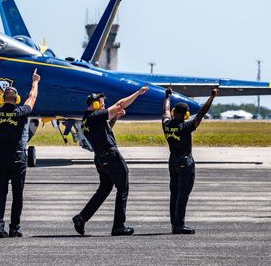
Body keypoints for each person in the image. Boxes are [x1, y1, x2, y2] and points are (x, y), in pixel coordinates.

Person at [72, 85, 149, 236]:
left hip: (101, 158)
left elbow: (104, 130)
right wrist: (138, 93)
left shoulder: (87, 120)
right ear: (94, 104)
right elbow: (120, 104)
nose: (104, 106)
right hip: (111, 156)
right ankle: (119, 226)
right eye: (101, 103)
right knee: (123, 187)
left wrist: (115, 118)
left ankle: (82, 217)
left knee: (105, 188)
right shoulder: (96, 116)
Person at [0, 65, 40, 238]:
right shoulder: (21, 112)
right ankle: (14, 228)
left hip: (1, 157)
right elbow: (32, 97)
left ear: (2, 98)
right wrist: (35, 82)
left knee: (0, 194)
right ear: (16, 99)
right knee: (18, 195)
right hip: (17, 158)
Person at [162, 87, 218, 234]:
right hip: (185, 162)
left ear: (174, 113)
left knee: (174, 193)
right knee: (183, 194)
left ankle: (175, 223)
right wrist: (211, 97)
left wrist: (167, 97)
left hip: (172, 160)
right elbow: (201, 113)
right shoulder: (186, 127)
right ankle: (179, 225)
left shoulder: (166, 125)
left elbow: (165, 112)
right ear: (186, 115)